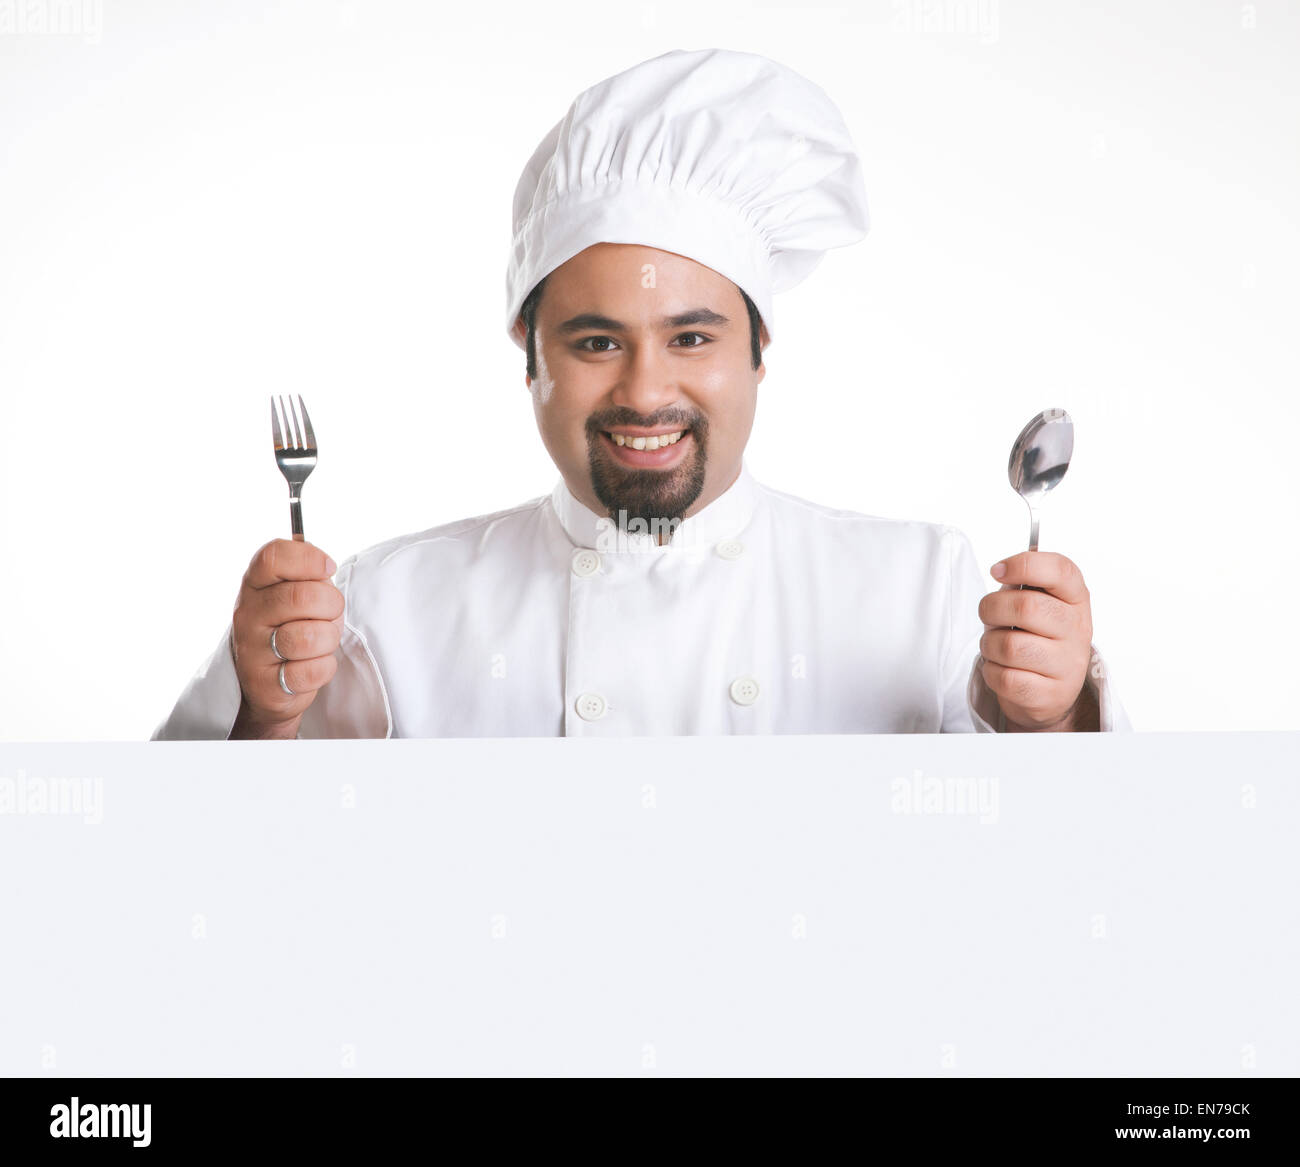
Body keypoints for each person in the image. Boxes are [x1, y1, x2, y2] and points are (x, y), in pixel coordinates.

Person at [152, 47, 1130, 741]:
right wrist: (266, 720)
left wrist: (1053, 718)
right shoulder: (388, 609)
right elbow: (231, 896)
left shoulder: (927, 594)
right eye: (593, 340)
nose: (643, 389)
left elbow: (1080, 893)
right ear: (526, 354)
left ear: (760, 351)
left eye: (690, 336)